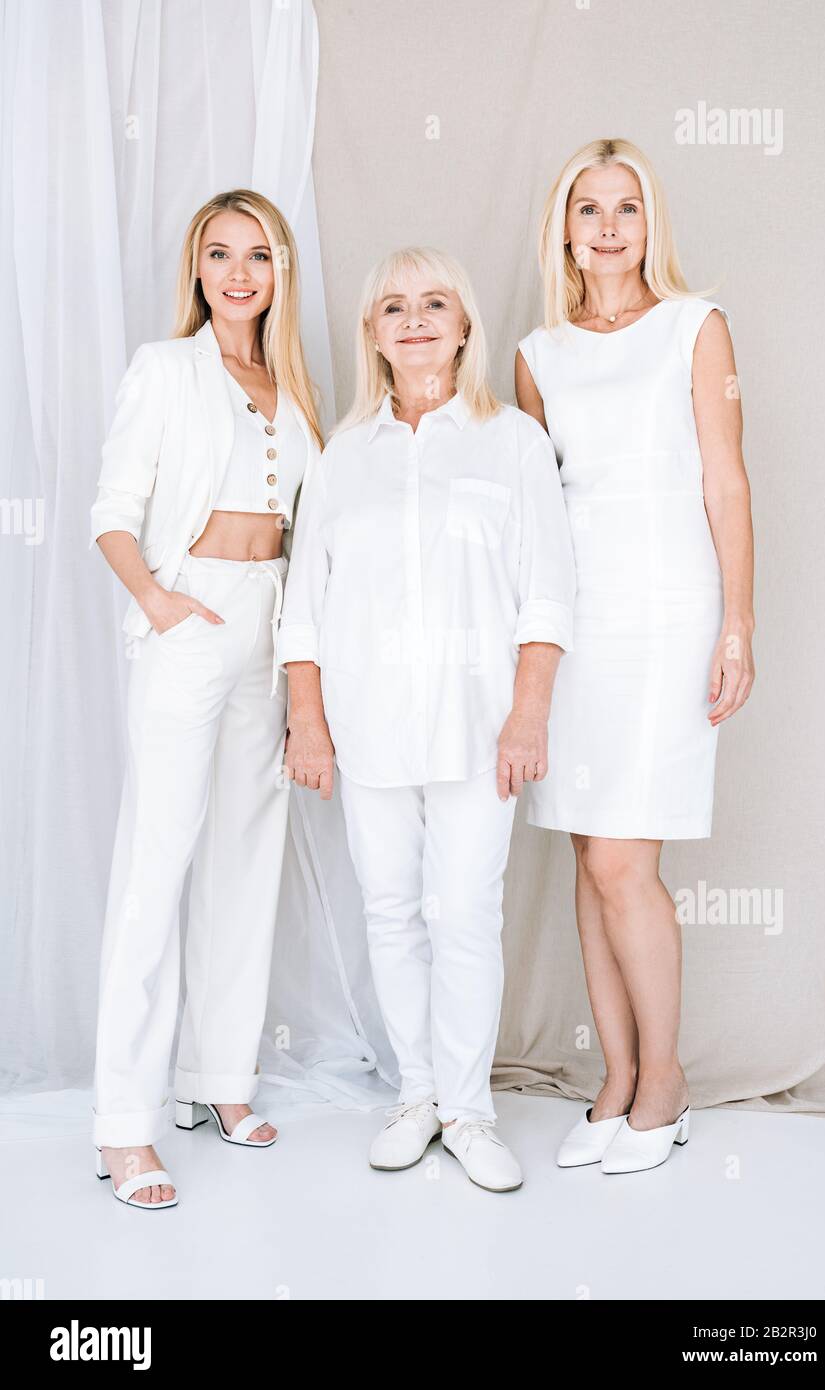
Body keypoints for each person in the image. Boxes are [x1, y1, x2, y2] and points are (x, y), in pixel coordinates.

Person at [279, 247, 575, 1193]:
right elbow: (304, 608)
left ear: (461, 326)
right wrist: (308, 722)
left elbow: (547, 596)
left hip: (477, 728)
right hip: (366, 730)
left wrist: (527, 716)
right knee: (389, 913)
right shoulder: (340, 459)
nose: (414, 319)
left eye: (433, 303)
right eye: (393, 305)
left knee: (465, 916)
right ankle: (414, 1097)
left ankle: (469, 1109)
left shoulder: (513, 443)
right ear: (373, 332)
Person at [516, 139, 755, 1175]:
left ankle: (668, 1082)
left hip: (665, 611)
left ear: (650, 222)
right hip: (577, 617)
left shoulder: (696, 328)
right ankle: (614, 1078)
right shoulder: (537, 352)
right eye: (589, 207)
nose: (609, 225)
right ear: (564, 227)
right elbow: (532, 508)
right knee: (584, 846)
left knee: (627, 856)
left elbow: (727, 484)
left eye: (627, 206)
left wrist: (738, 621)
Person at [90, 189, 322, 1208]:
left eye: (258, 255)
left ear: (280, 271)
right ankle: (123, 1126)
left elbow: (310, 533)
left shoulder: (296, 387)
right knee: (157, 864)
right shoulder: (165, 368)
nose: (239, 272)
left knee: (246, 856)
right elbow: (112, 512)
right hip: (190, 621)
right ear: (197, 268)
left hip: (271, 630)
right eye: (220, 253)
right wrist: (159, 599)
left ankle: (219, 1079)